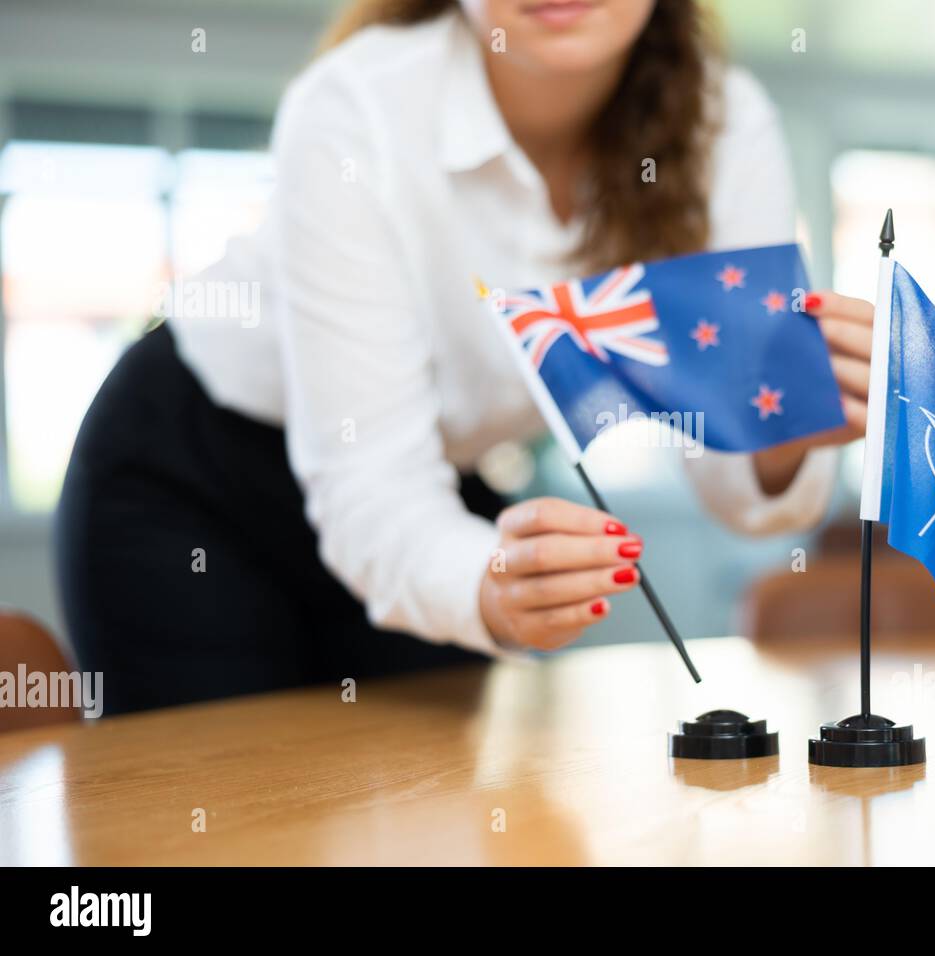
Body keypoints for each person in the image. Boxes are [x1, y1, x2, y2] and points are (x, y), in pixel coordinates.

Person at [55, 0, 876, 715]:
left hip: (435, 486)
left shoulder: (728, 127)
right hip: (197, 477)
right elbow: (369, 480)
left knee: (427, 811)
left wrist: (795, 416)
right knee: (217, 818)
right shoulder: (356, 108)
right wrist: (489, 585)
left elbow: (738, 474)